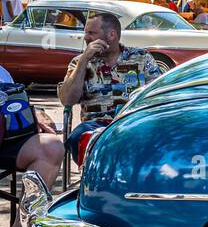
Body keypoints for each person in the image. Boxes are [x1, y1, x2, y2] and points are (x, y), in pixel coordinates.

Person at [57, 12, 163, 165]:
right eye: (85, 33)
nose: (86, 37)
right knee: (77, 137)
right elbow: (67, 99)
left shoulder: (141, 57)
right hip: (96, 125)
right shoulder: (79, 62)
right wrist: (84, 61)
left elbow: (157, 94)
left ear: (112, 35)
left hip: (133, 121)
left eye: (91, 33)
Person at [0, 65, 64, 227]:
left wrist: (36, 113)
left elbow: (13, 105)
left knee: (51, 147)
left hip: (4, 140)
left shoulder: (2, 72)